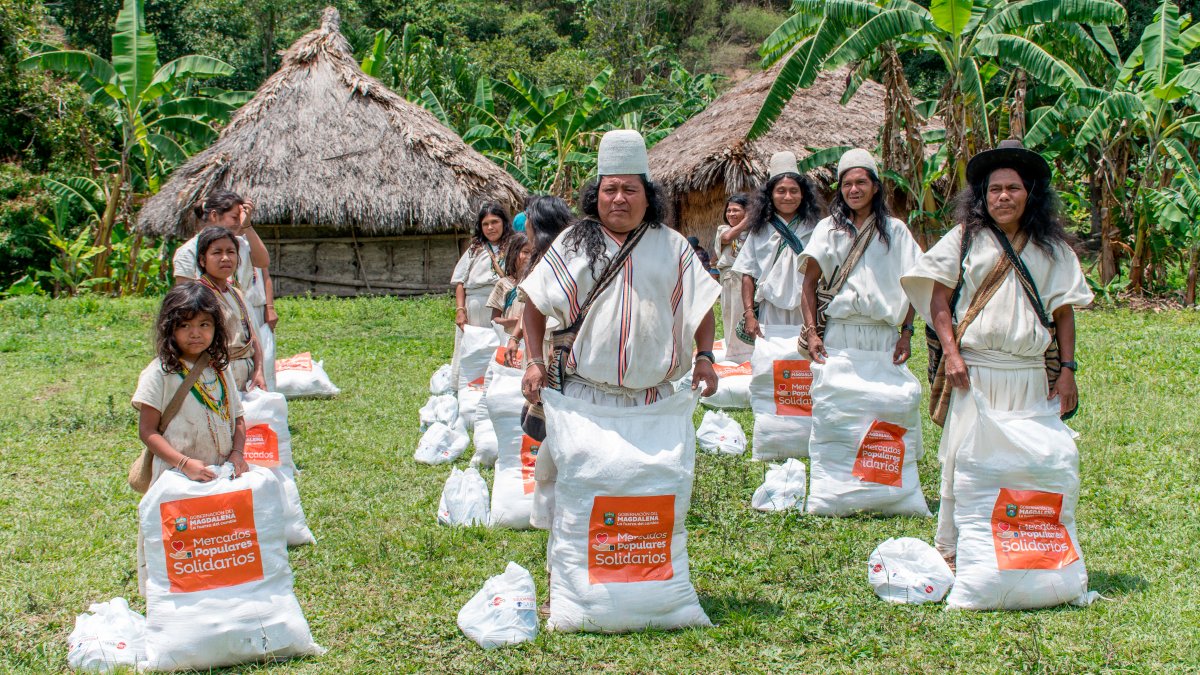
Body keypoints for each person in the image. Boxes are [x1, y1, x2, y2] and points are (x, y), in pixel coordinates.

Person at [518, 129, 721, 616]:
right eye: (610, 188)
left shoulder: (672, 246)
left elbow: (703, 303)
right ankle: (567, 590)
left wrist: (706, 356)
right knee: (581, 493)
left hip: (652, 399)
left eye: (630, 189)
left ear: (647, 195)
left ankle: (642, 586)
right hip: (585, 397)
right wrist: (532, 359)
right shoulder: (574, 240)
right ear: (596, 193)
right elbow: (532, 301)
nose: (619, 198)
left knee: (648, 490)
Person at [900, 139, 1093, 566]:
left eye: (1013, 188)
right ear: (982, 196)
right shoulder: (964, 239)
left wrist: (1067, 370)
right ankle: (955, 551)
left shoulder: (1053, 249)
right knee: (962, 457)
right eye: (994, 189)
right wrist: (951, 354)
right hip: (975, 371)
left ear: (1031, 194)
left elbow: (1063, 314)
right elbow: (939, 301)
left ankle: (1018, 546)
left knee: (1025, 459)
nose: (1003, 196)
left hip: (1028, 373)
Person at [132, 282, 250, 593]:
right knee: (178, 549)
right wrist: (184, 463)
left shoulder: (219, 370)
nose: (195, 333)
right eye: (184, 325)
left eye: (204, 325)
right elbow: (147, 431)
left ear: (216, 328)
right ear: (169, 328)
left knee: (217, 546)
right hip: (175, 474)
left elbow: (238, 417)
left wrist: (237, 454)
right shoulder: (159, 374)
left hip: (218, 473)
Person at [800, 149, 922, 360]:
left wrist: (906, 334)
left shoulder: (896, 230)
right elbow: (808, 284)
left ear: (875, 187)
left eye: (861, 183)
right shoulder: (827, 229)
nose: (854, 189)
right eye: (847, 184)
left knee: (889, 394)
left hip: (884, 336)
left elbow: (914, 284)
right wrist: (812, 334)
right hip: (838, 333)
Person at [175, 190, 278, 388]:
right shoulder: (188, 252)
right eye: (234, 217)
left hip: (242, 319)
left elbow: (263, 262)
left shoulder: (240, 245)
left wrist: (247, 226)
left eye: (230, 253)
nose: (225, 257)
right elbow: (184, 304)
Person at [731, 151, 824, 340]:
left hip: (806, 309)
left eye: (794, 191)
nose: (788, 196)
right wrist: (749, 313)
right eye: (781, 191)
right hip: (770, 309)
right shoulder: (760, 230)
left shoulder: (816, 228)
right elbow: (748, 274)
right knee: (771, 362)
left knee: (805, 364)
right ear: (771, 195)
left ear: (802, 194)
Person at [194, 226, 267, 392]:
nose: (225, 258)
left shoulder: (236, 293)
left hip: (244, 373)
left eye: (231, 252)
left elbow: (252, 336)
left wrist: (258, 370)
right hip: (213, 375)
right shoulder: (197, 295)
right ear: (202, 260)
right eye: (217, 252)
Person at [504, 195, 574, 366]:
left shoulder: (566, 261)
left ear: (537, 224)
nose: (525, 224)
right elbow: (532, 306)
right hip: (537, 343)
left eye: (528, 218)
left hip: (557, 346)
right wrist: (515, 337)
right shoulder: (538, 259)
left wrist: (559, 343)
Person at [451, 202, 513, 330]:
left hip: (504, 309)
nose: (490, 227)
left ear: (504, 223)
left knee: (502, 347)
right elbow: (460, 282)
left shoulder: (514, 247)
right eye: (485, 224)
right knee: (474, 346)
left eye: (495, 222)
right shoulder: (474, 250)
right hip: (474, 312)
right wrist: (460, 310)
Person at [714, 193, 752, 360]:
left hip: (748, 278)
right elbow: (727, 238)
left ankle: (749, 353)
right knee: (731, 314)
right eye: (729, 210)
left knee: (746, 314)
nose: (731, 214)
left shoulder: (753, 233)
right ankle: (735, 355)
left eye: (736, 210)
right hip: (731, 278)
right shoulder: (724, 229)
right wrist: (749, 218)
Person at [488, 233, 531, 337]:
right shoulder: (503, 284)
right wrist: (509, 322)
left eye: (534, 253)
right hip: (509, 339)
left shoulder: (537, 284)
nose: (530, 257)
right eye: (525, 252)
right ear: (514, 253)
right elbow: (494, 319)